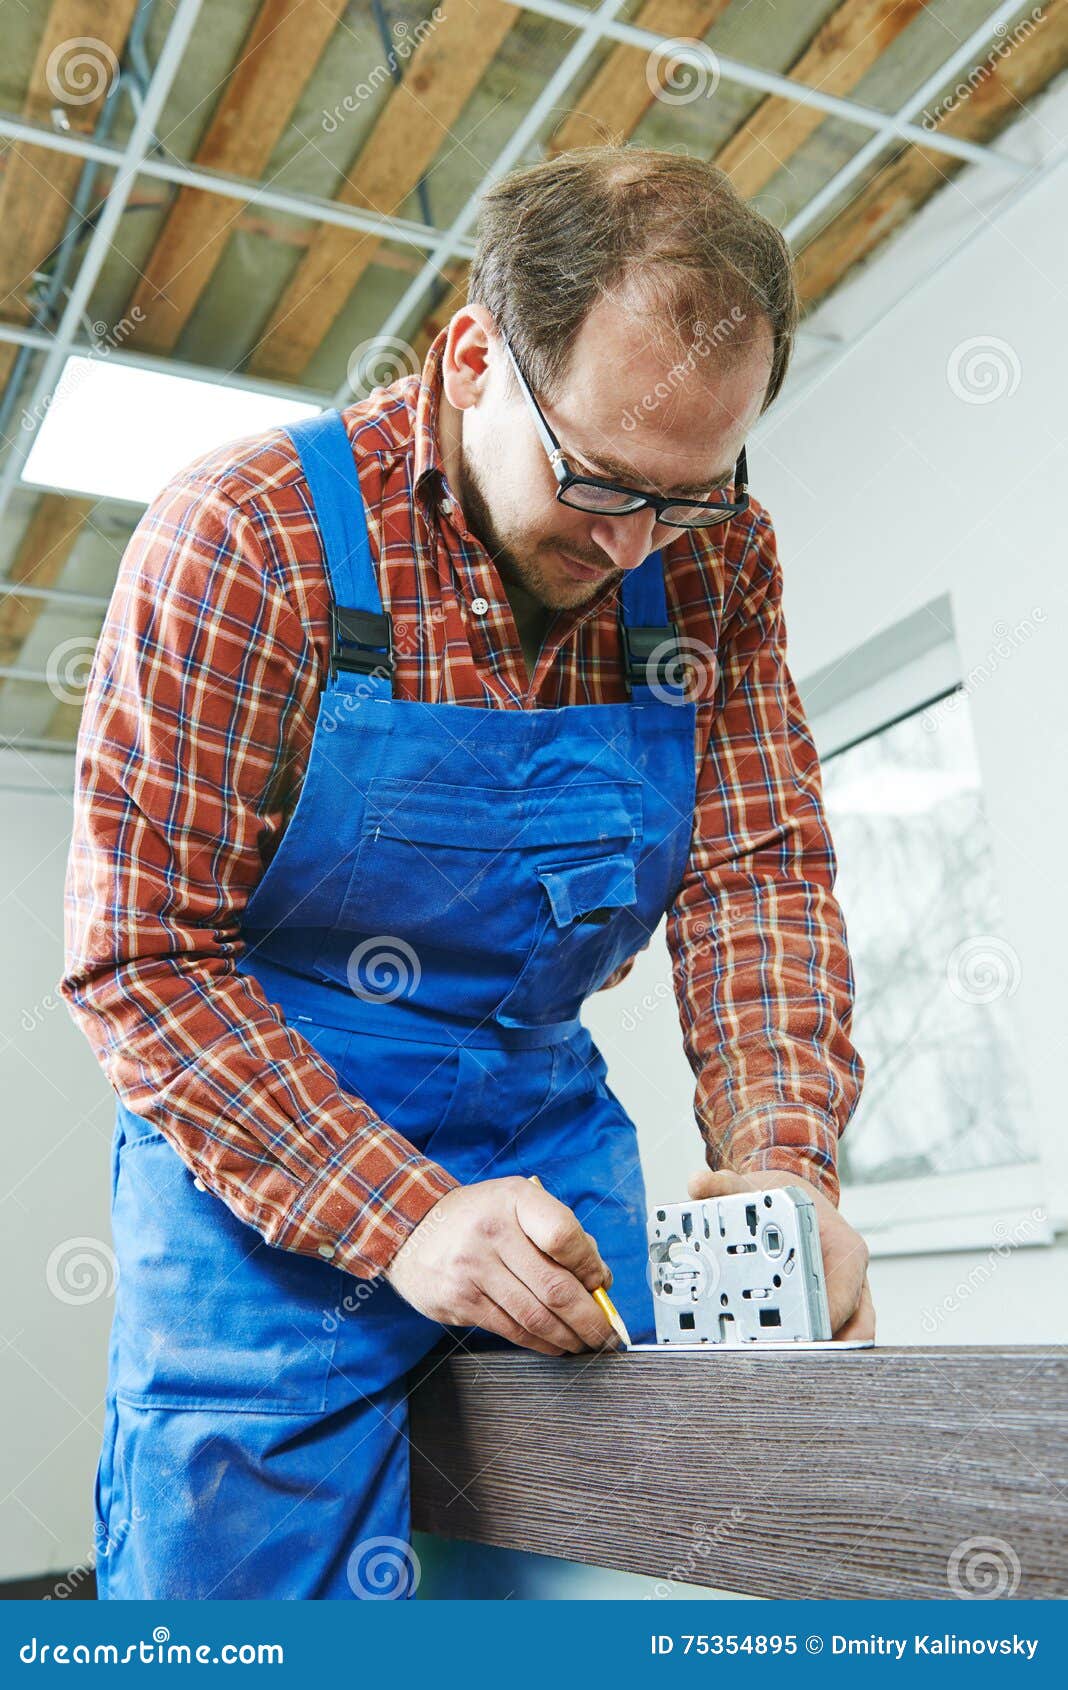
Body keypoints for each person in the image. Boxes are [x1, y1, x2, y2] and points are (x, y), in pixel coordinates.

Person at [61, 145, 872, 1601]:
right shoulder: (247, 538)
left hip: (541, 1130)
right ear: (474, 357)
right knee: (241, 1599)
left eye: (689, 495)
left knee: (623, 1564)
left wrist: (781, 1168)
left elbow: (757, 876)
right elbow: (141, 959)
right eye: (600, 482)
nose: (636, 544)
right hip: (265, 1152)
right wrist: (406, 1216)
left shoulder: (714, 557)